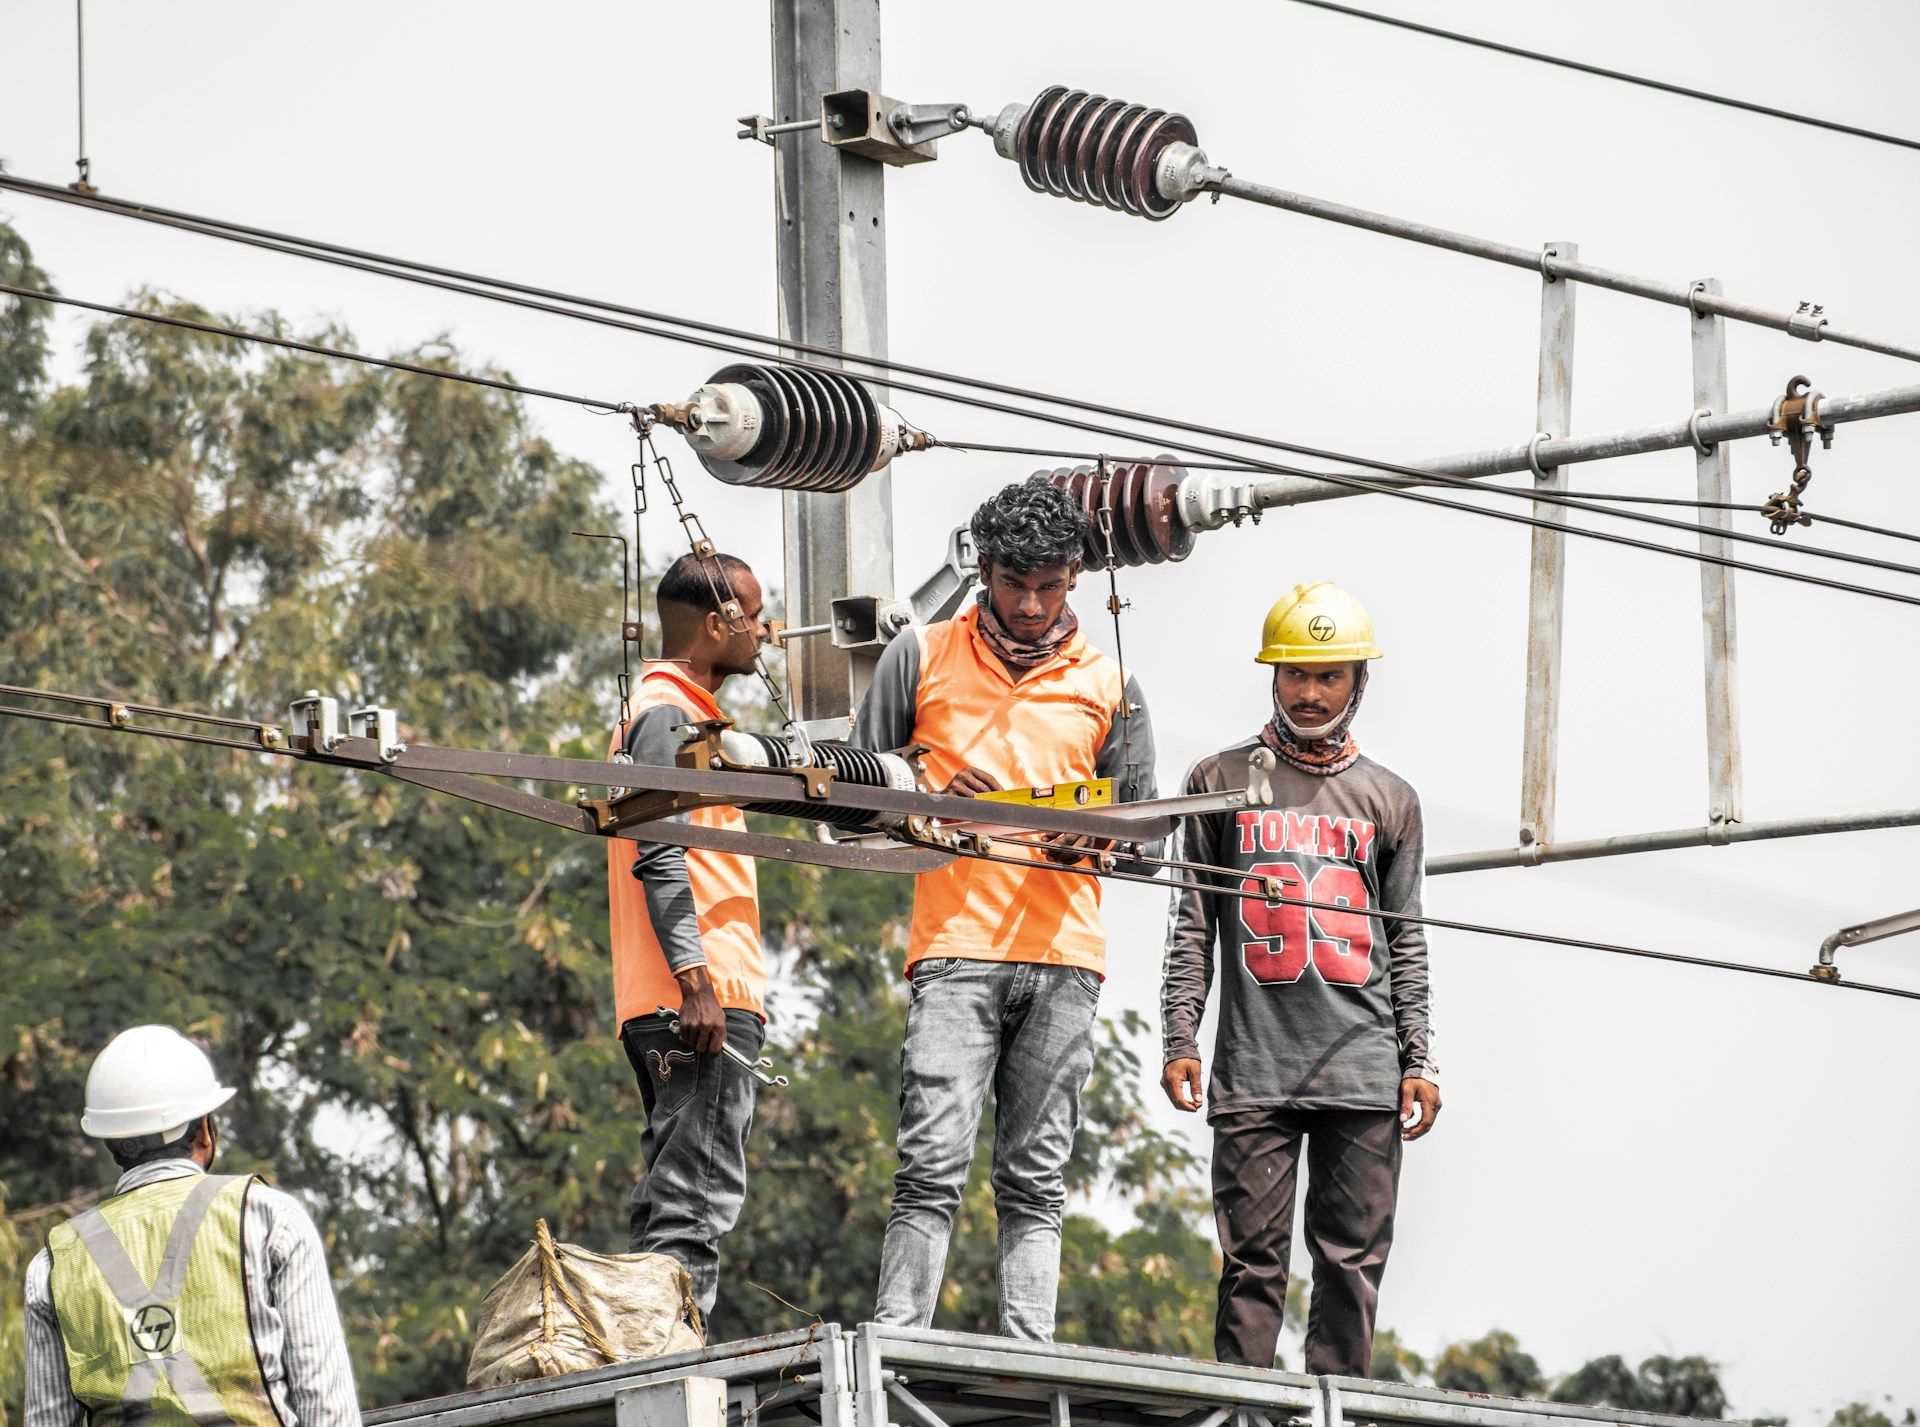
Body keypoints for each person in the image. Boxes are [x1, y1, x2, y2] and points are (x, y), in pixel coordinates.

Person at [850, 475, 1158, 1341]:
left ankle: (1031, 1354)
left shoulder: (1111, 681)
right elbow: (846, 794)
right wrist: (924, 790)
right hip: (956, 945)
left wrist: (1093, 836)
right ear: (982, 570)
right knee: (931, 1166)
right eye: (1013, 583)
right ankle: (898, 1340)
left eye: (1048, 585)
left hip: (1066, 957)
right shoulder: (921, 653)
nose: (1029, 604)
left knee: (1036, 1177)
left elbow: (1146, 835)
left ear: (1076, 579)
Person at [1160, 580, 1440, 1376]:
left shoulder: (1391, 798)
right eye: (1294, 674)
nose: (1309, 693)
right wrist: (1181, 1033)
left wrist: (1419, 1057)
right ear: (1272, 675)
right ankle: (1245, 1405)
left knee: (1351, 1264)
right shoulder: (1219, 778)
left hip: (1363, 1065)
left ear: (1359, 682)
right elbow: (1191, 922)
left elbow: (1408, 940)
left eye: (1329, 676)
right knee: (1252, 1264)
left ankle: (1335, 1406)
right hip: (1256, 1067)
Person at [24, 1025, 360, 1427]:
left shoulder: (53, 1264)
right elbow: (327, 1410)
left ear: (110, 1142)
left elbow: (48, 1421)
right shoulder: (270, 1220)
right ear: (204, 1131)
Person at [608, 549, 772, 1328]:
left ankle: (652, 1352)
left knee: (671, 1197)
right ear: (717, 624)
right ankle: (671, 1374)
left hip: (665, 996)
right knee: (694, 1202)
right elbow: (660, 848)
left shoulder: (666, 715)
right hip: (698, 996)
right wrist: (697, 980)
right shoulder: (667, 715)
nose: (767, 631)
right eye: (757, 614)